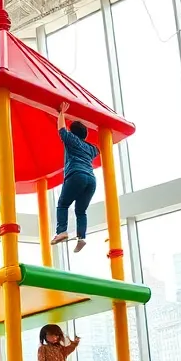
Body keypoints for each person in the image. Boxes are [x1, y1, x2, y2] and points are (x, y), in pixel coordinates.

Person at [49, 102, 99, 254]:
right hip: (91, 179)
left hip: (76, 175)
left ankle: (61, 231)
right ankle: (81, 238)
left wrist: (61, 113)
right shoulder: (91, 148)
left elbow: (61, 129)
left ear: (73, 133)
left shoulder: (72, 141)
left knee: (63, 204)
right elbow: (97, 150)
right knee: (81, 211)